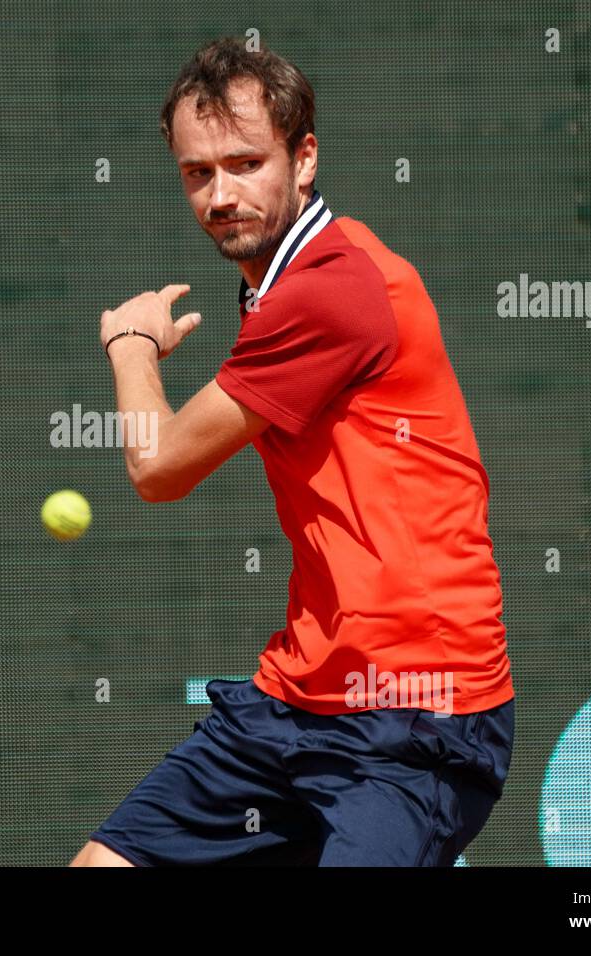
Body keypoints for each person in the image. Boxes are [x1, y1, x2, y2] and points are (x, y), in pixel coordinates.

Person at [73, 38, 515, 866]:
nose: (221, 194)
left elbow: (156, 465)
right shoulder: (283, 280)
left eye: (246, 163)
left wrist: (131, 345)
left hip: (415, 717)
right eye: (198, 173)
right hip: (298, 697)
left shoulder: (332, 289)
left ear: (304, 158)